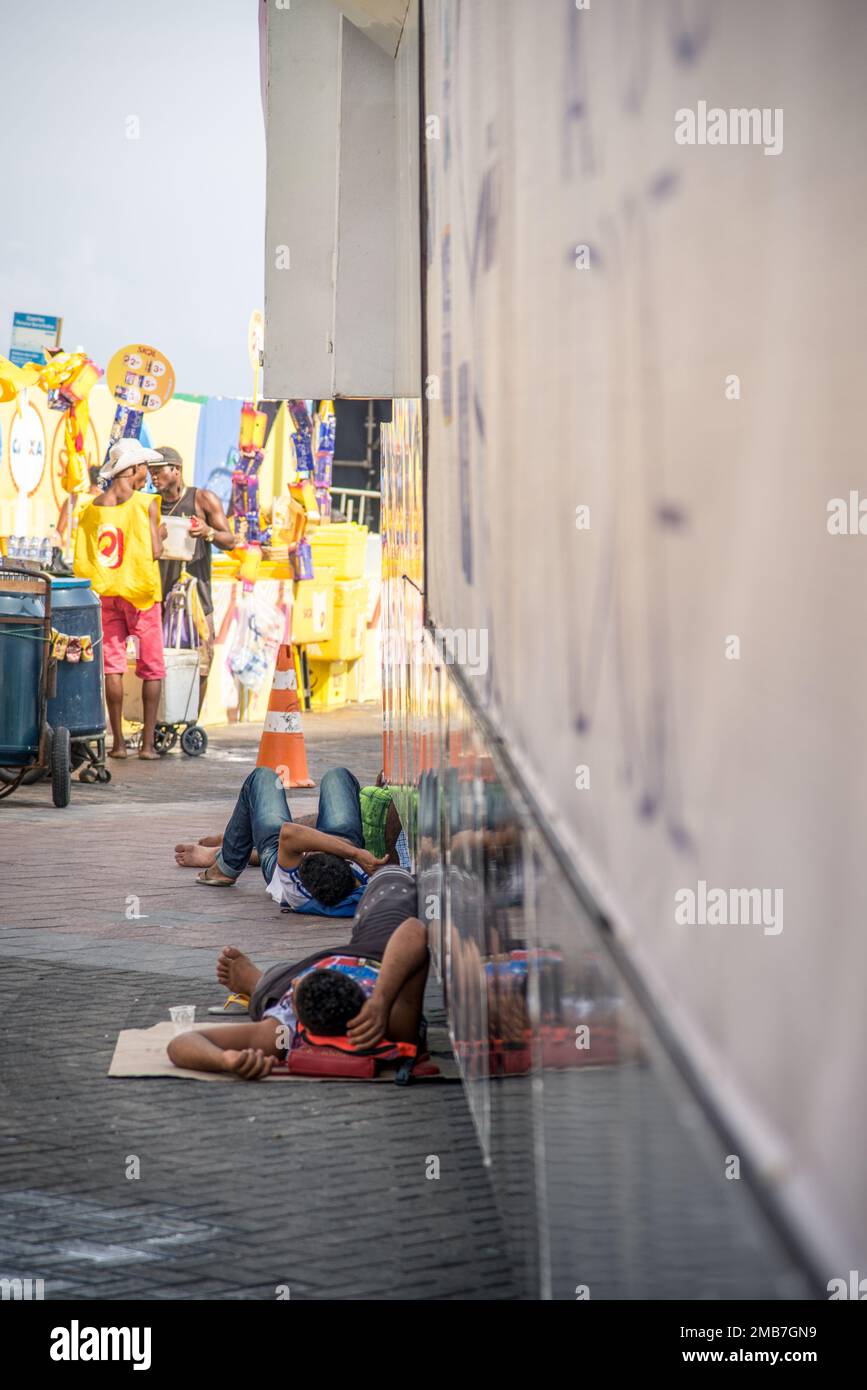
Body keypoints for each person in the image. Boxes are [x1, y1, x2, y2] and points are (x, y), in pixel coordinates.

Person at [166, 867, 427, 1079]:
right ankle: (393, 874)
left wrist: (224, 1059)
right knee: (393, 883)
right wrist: (381, 1000)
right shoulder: (394, 1020)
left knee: (274, 989)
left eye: (295, 989)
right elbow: (413, 929)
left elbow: (181, 1044)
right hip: (375, 956)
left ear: (295, 1011)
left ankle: (257, 983)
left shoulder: (282, 1030)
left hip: (308, 968)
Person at [185, 765, 389, 916]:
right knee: (338, 776)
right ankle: (239, 844)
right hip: (344, 843)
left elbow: (289, 834)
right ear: (351, 871)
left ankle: (226, 865)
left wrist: (356, 853)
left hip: (277, 857)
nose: (309, 849)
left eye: (308, 853)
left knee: (262, 777)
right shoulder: (366, 888)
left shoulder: (296, 892)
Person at [73, 438, 165, 760]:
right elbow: (156, 550)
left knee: (112, 668)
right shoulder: (146, 503)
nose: (147, 475)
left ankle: (119, 744)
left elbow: (83, 556)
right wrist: (162, 535)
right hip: (141, 595)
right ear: (135, 468)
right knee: (151, 668)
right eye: (144, 469)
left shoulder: (90, 508)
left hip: (107, 594)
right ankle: (149, 746)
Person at [147, 446, 235, 711]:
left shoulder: (203, 500)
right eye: (151, 472)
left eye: (158, 471)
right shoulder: (150, 504)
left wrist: (208, 532)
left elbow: (230, 540)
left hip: (197, 600)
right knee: (159, 665)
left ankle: (190, 721)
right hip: (160, 598)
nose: (154, 477)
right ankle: (165, 717)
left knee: (201, 663)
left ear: (176, 470)